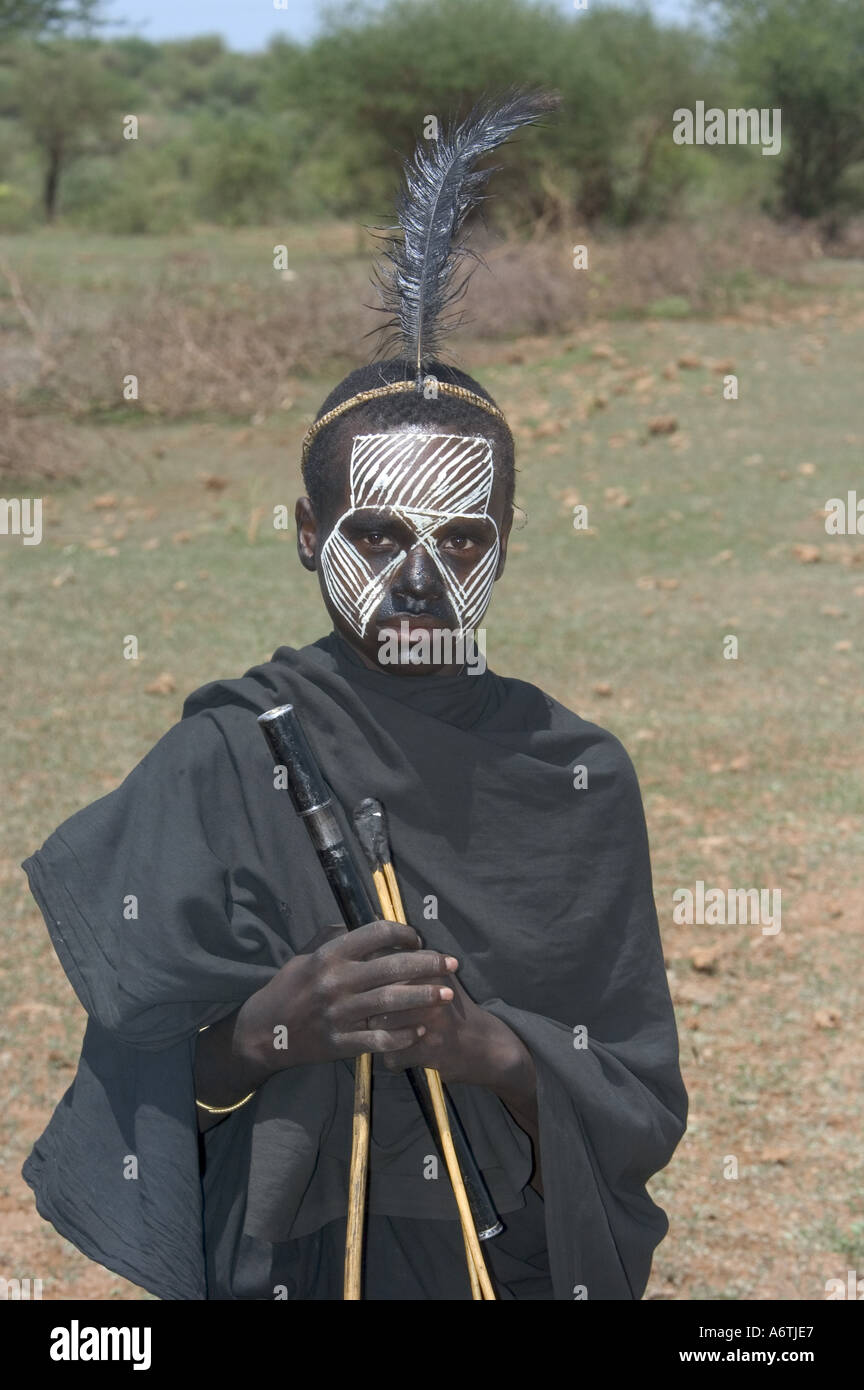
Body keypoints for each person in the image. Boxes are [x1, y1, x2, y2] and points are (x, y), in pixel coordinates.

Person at [21, 91, 687, 1301]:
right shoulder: (224, 758)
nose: (421, 582)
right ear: (304, 533)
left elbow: (633, 1100)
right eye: (377, 536)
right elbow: (140, 1090)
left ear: (510, 542)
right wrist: (274, 1031)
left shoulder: (577, 773)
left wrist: (497, 1053)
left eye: (464, 537)